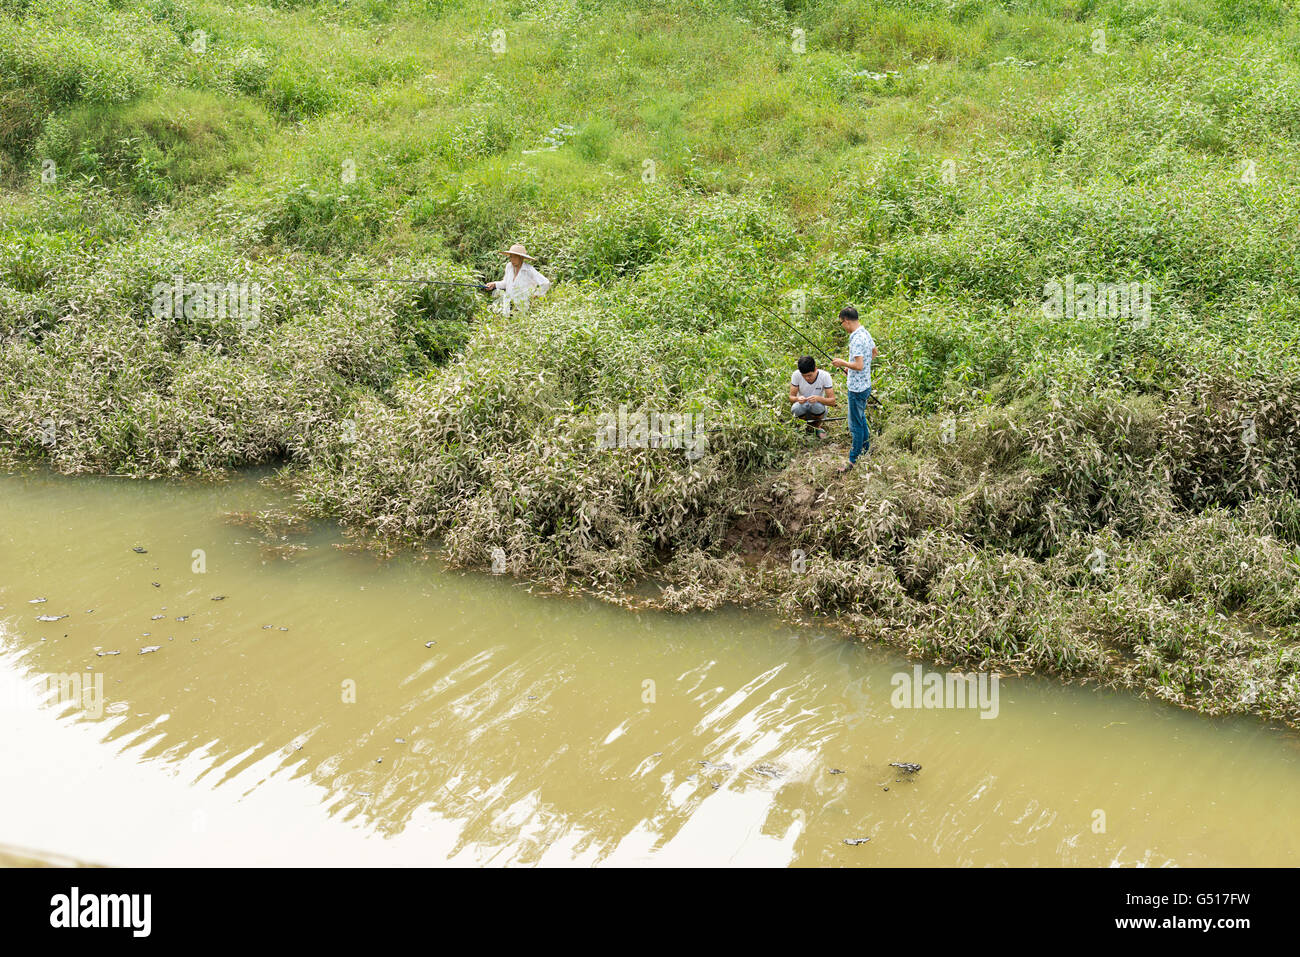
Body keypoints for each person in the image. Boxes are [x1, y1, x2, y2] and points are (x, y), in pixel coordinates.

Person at [830, 305, 875, 472]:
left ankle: (853, 459)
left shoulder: (856, 338)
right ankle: (865, 449)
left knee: (855, 424)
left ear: (847, 321)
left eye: (842, 323)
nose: (843, 327)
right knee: (860, 418)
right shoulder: (865, 332)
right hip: (866, 385)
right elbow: (874, 352)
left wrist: (844, 363)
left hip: (856, 389)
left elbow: (859, 364)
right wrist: (853, 368)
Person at [484, 243, 551, 315]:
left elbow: (545, 283)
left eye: (515, 257)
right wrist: (494, 284)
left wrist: (535, 295)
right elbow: (506, 283)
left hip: (522, 309)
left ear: (521, 258)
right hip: (507, 307)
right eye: (511, 257)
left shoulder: (529, 270)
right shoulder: (509, 266)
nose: (512, 259)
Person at [788, 355, 835, 439]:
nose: (807, 378)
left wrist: (818, 398)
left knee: (817, 406)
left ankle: (817, 426)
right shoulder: (796, 375)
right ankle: (801, 426)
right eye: (804, 375)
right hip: (802, 406)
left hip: (818, 407)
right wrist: (797, 399)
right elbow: (791, 398)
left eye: (809, 375)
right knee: (796, 408)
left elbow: (832, 401)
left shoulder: (825, 376)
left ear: (815, 369)